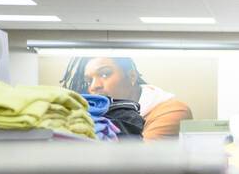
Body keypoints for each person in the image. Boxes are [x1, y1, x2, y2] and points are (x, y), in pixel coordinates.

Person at [62, 56, 193, 140]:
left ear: (131, 76)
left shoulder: (172, 111)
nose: (94, 86)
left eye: (104, 74)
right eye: (89, 80)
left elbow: (137, 160)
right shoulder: (95, 113)